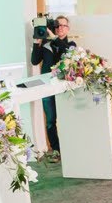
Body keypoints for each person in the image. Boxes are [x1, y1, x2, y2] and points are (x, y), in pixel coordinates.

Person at [30, 14, 77, 159]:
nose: (60, 28)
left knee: (67, 119)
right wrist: (37, 42)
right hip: (48, 87)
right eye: (57, 25)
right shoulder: (46, 44)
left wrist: (54, 38)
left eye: (63, 25)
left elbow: (69, 54)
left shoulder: (71, 45)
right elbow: (34, 61)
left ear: (68, 29)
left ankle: (71, 149)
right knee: (50, 121)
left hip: (65, 88)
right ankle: (56, 150)